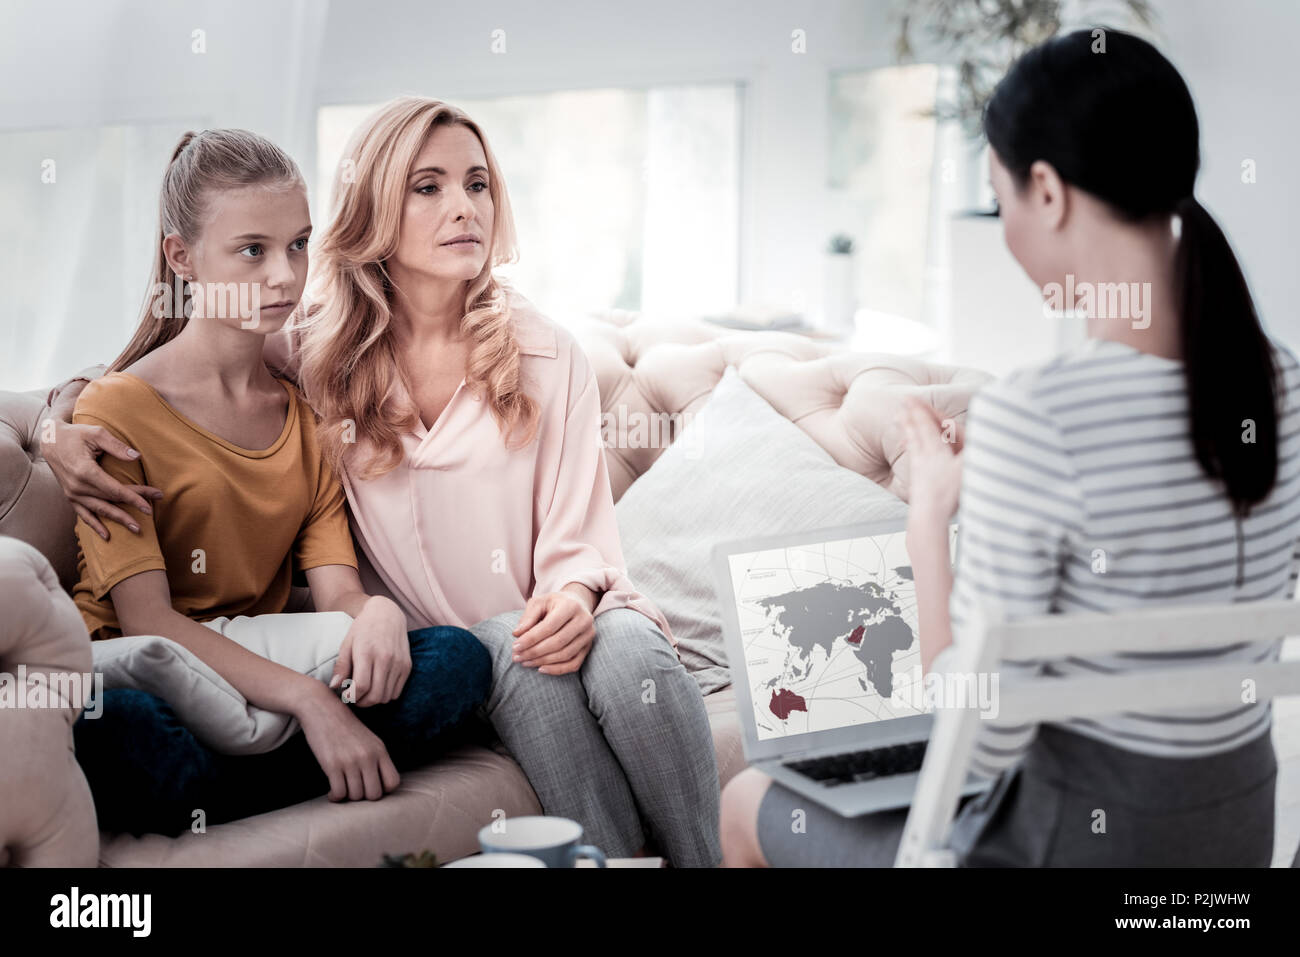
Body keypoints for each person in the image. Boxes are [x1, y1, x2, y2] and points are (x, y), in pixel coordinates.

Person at [47, 101, 721, 866]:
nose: (463, 207)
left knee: (608, 652)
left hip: (539, 617)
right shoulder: (317, 352)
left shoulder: (541, 354)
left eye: (477, 184)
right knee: (507, 660)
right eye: (428, 187)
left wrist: (570, 596)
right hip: (424, 652)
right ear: (374, 211)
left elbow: (579, 536)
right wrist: (53, 424)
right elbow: (165, 365)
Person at [720, 28, 1298, 867]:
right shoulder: (1279, 381)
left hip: (1075, 844)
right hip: (1230, 834)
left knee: (746, 802)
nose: (1004, 230)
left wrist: (930, 521)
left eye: (1001, 201)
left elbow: (975, 737)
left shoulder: (1039, 414)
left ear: (1048, 191)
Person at [64, 128, 491, 837]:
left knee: (459, 660)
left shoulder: (305, 411)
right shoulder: (115, 411)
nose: (284, 277)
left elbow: (337, 594)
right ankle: (315, 759)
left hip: (264, 669)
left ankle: (245, 776)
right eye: (252, 251)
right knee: (116, 724)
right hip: (151, 678)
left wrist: (377, 615)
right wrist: (314, 704)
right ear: (182, 257)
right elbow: (149, 622)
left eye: (298, 245)